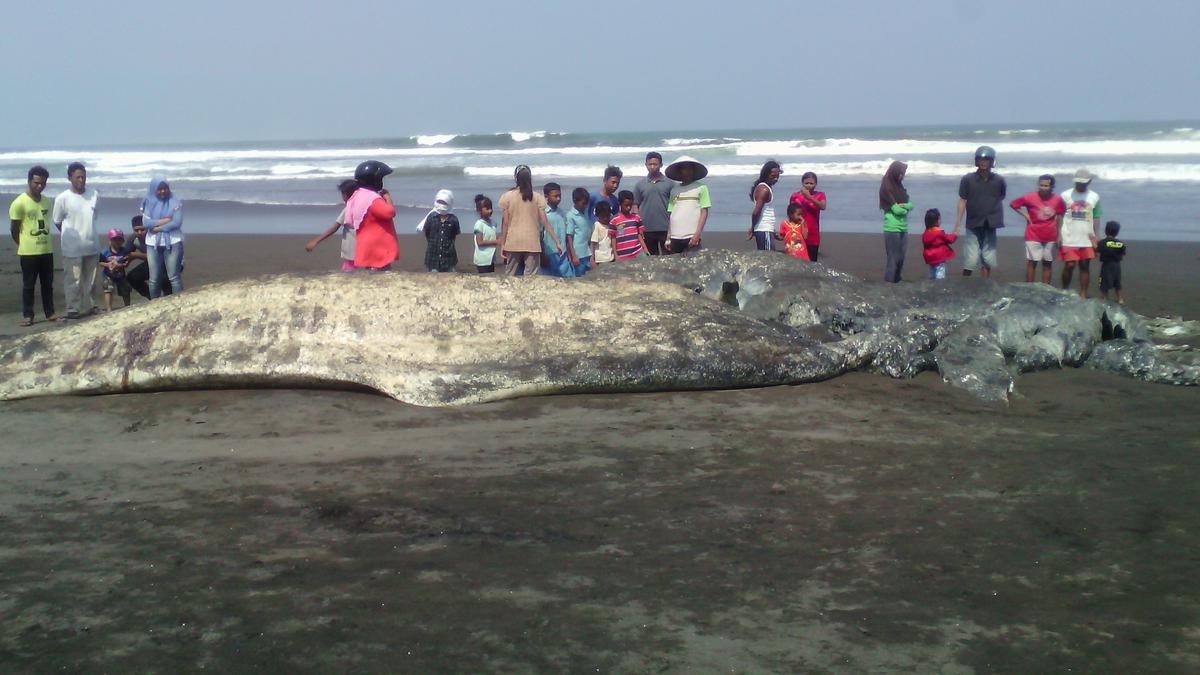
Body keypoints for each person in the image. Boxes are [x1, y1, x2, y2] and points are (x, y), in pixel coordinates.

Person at [9, 166, 57, 326]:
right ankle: (28, 315)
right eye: (36, 183)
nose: (40, 186)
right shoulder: (19, 203)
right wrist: (23, 243)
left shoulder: (46, 201)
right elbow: (14, 229)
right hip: (28, 252)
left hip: (46, 249)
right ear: (29, 181)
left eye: (43, 183)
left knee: (47, 284)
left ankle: (50, 312)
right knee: (29, 285)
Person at [53, 162, 101, 318]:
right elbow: (57, 221)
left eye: (84, 177)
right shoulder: (63, 198)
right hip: (72, 247)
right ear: (70, 178)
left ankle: (90, 306)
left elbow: (95, 216)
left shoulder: (94, 194)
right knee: (73, 280)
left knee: (91, 281)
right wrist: (70, 235)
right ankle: (73, 308)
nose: (81, 180)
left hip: (91, 244)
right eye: (78, 177)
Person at [498, 165, 561, 276]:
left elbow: (505, 223)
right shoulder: (537, 197)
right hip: (532, 242)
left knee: (510, 275)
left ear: (516, 178)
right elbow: (545, 223)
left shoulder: (507, 197)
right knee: (531, 276)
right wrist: (557, 242)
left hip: (513, 241)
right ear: (530, 179)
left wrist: (503, 244)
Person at [956, 146, 1006, 279]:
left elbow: (1001, 196)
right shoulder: (968, 179)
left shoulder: (999, 180)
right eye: (980, 159)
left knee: (988, 257)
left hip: (991, 223)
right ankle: (965, 285)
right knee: (970, 259)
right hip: (973, 222)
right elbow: (962, 200)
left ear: (992, 161)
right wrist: (957, 224)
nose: (983, 162)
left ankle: (985, 285)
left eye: (986, 159)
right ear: (976, 161)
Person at [1009, 174, 1066, 284]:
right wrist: (1025, 215)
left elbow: (1060, 216)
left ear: (1052, 187)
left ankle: (1045, 289)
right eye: (1041, 185)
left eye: (1046, 186)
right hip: (1033, 234)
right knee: (1032, 262)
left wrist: (1059, 235)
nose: (1043, 188)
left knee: (1047, 263)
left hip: (1050, 235)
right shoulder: (1030, 197)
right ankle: (1030, 288)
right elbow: (1014, 204)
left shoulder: (1058, 200)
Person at [346, 160, 398, 271]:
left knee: (371, 270)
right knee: (380, 272)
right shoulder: (372, 198)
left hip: (365, 243)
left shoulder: (356, 195)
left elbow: (349, 220)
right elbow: (389, 213)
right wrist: (387, 197)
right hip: (377, 246)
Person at [1059, 168, 1102, 299]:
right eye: (1078, 182)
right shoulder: (1066, 195)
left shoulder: (1094, 197)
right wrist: (1058, 235)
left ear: (1089, 182)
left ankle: (1083, 294)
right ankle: (1064, 290)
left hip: (1087, 236)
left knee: (1084, 265)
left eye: (1083, 182)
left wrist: (1096, 236)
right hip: (1069, 235)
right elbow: (1059, 216)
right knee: (1070, 265)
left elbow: (1096, 217)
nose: (1080, 185)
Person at [139, 176, 184, 296]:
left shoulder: (174, 201)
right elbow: (146, 223)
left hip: (173, 242)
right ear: (154, 189)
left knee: (174, 277)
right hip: (153, 244)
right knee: (154, 279)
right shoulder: (148, 202)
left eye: (165, 188)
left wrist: (158, 227)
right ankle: (154, 305)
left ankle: (179, 303)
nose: (163, 191)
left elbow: (177, 222)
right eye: (159, 189)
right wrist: (165, 220)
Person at [305, 179, 360, 272]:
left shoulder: (348, 210)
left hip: (351, 250)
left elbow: (334, 228)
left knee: (348, 271)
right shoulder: (362, 207)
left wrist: (316, 241)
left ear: (345, 195)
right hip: (363, 247)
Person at [665, 156, 710, 255]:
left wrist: (697, 234)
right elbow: (671, 214)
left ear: (694, 171)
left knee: (694, 265)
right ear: (680, 171)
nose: (687, 171)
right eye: (684, 169)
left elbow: (704, 212)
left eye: (690, 168)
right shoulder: (674, 190)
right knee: (677, 267)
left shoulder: (701, 188)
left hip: (691, 235)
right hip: (675, 236)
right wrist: (668, 236)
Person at [633, 152, 674, 255]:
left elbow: (675, 206)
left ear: (661, 165)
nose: (652, 167)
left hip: (666, 229)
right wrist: (638, 226)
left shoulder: (670, 184)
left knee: (668, 260)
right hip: (647, 229)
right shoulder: (640, 185)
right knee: (651, 260)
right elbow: (635, 206)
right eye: (649, 164)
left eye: (655, 164)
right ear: (645, 165)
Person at [880, 161, 912, 283]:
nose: (902, 177)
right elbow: (897, 210)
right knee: (893, 259)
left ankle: (897, 280)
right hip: (892, 228)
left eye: (903, 174)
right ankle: (889, 284)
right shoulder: (886, 187)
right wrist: (905, 209)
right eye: (900, 174)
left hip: (903, 227)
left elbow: (910, 204)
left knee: (901, 259)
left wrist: (905, 206)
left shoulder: (900, 187)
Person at [125, 215, 166, 299]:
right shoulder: (133, 239)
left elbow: (157, 257)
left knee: (163, 278)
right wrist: (123, 262)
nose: (139, 232)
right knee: (132, 277)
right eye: (136, 230)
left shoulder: (156, 235)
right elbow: (127, 254)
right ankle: (152, 297)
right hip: (151, 264)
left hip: (167, 262)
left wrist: (136, 255)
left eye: (142, 229)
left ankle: (169, 295)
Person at [788, 172, 826, 262]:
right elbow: (791, 213)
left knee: (812, 260)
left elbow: (823, 206)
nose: (809, 185)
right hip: (798, 231)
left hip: (813, 232)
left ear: (816, 184)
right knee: (798, 258)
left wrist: (809, 197)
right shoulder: (795, 196)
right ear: (802, 183)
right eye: (806, 183)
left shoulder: (820, 195)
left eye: (811, 183)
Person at [420, 189, 460, 273]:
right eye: (440, 202)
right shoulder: (431, 217)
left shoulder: (453, 219)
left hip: (449, 257)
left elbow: (454, 236)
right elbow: (427, 232)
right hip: (433, 257)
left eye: (444, 202)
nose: (441, 205)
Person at [541, 182, 573, 277]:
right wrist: (542, 255)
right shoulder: (543, 214)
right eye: (555, 196)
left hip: (563, 253)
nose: (558, 198)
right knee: (551, 280)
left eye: (559, 195)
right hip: (549, 253)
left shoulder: (562, 213)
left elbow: (566, 235)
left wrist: (569, 253)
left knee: (568, 279)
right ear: (546, 197)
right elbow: (539, 235)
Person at [98, 228, 135, 310]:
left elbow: (126, 263)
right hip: (108, 275)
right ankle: (109, 308)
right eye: (115, 240)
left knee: (125, 289)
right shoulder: (105, 252)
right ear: (110, 241)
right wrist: (107, 265)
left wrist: (120, 265)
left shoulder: (124, 251)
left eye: (119, 240)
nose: (117, 242)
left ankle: (127, 306)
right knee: (108, 290)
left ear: (122, 241)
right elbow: (100, 262)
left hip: (120, 274)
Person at [749, 160, 781, 250]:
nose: (776, 179)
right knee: (769, 258)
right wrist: (752, 227)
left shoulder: (765, 187)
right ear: (766, 174)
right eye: (773, 176)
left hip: (765, 229)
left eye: (777, 176)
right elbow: (756, 212)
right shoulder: (764, 190)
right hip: (764, 229)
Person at [921, 208, 959, 280]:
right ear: (937, 221)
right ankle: (939, 282)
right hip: (939, 256)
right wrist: (955, 234)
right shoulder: (939, 232)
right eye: (939, 219)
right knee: (940, 270)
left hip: (929, 257)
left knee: (932, 269)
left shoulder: (926, 233)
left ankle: (931, 280)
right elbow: (949, 239)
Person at [610, 190, 648, 261]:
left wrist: (645, 249)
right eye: (626, 205)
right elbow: (613, 238)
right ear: (620, 203)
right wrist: (615, 255)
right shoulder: (614, 220)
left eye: (630, 205)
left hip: (638, 252)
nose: (628, 208)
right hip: (622, 255)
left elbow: (639, 235)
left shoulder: (636, 218)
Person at [564, 187, 593, 276]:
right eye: (583, 203)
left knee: (589, 278)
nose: (585, 206)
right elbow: (569, 237)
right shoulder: (571, 216)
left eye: (586, 204)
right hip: (578, 254)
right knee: (579, 278)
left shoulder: (585, 213)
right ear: (575, 201)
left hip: (587, 252)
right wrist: (573, 256)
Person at [1097, 220, 1126, 304]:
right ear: (1117, 232)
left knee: (1104, 284)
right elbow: (1123, 254)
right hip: (1117, 265)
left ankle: (1104, 299)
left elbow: (1097, 249)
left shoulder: (1103, 242)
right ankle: (1120, 299)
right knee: (1117, 283)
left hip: (1107, 265)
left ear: (1105, 231)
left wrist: (1092, 239)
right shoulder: (1121, 243)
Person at [472, 194, 500, 274]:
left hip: (490, 258)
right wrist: (496, 241)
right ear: (479, 210)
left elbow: (492, 236)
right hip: (482, 259)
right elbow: (479, 242)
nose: (490, 211)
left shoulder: (493, 223)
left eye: (491, 208)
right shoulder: (479, 224)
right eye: (487, 208)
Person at [589, 201, 616, 268]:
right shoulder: (597, 225)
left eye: (607, 215)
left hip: (610, 257)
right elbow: (593, 243)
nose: (605, 218)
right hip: (600, 259)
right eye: (603, 216)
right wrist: (592, 259)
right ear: (598, 215)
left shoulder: (611, 225)